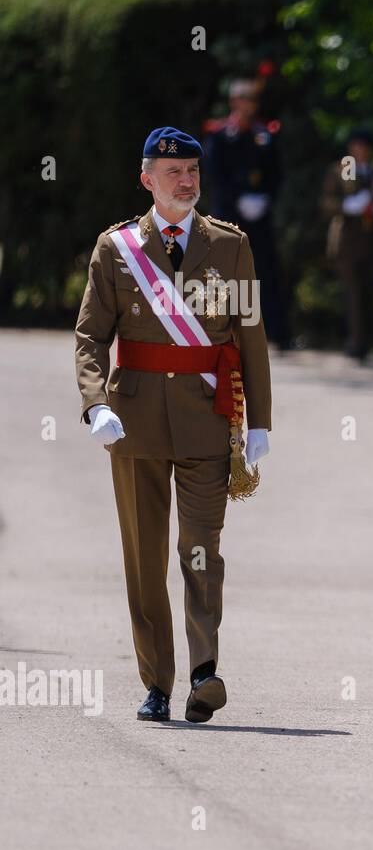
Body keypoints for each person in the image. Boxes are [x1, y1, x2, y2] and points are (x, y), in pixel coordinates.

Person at [74, 126, 271, 723]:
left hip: (207, 419)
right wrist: (93, 403)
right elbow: (90, 337)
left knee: (201, 550)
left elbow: (250, 336)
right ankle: (156, 681)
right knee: (144, 555)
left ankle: (205, 672)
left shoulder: (230, 245)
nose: (186, 182)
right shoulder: (116, 249)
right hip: (132, 421)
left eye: (193, 172)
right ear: (147, 179)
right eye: (174, 173)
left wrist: (258, 420)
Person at [203, 78, 289, 348]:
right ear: (234, 101)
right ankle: (217, 331)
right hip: (229, 215)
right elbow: (215, 175)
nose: (250, 105)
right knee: (223, 273)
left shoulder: (264, 135)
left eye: (253, 100)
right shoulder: (219, 135)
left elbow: (276, 174)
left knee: (265, 271)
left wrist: (264, 199)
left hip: (259, 216)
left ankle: (276, 334)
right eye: (245, 98)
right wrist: (237, 200)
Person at [320, 128, 373, 360]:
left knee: (371, 290)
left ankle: (367, 341)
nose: (360, 151)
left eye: (365, 147)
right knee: (353, 292)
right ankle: (356, 342)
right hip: (348, 239)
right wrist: (348, 205)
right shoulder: (344, 168)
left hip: (372, 239)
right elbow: (328, 202)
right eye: (356, 146)